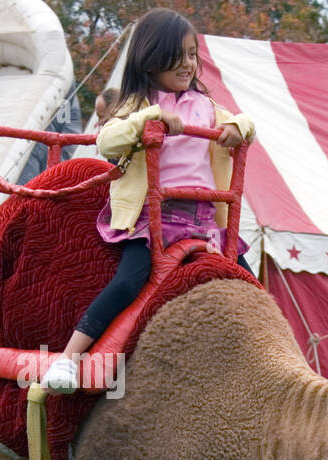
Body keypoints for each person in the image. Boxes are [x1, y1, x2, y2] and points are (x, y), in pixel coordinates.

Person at [42, 8, 254, 392]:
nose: (188, 64)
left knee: (248, 279)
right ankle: (69, 359)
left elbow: (247, 121)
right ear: (151, 57)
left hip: (204, 219)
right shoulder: (136, 105)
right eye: (179, 55)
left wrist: (236, 127)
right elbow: (107, 139)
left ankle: (268, 363)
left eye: (193, 55)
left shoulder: (203, 106)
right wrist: (150, 120)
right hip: (156, 217)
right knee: (129, 281)